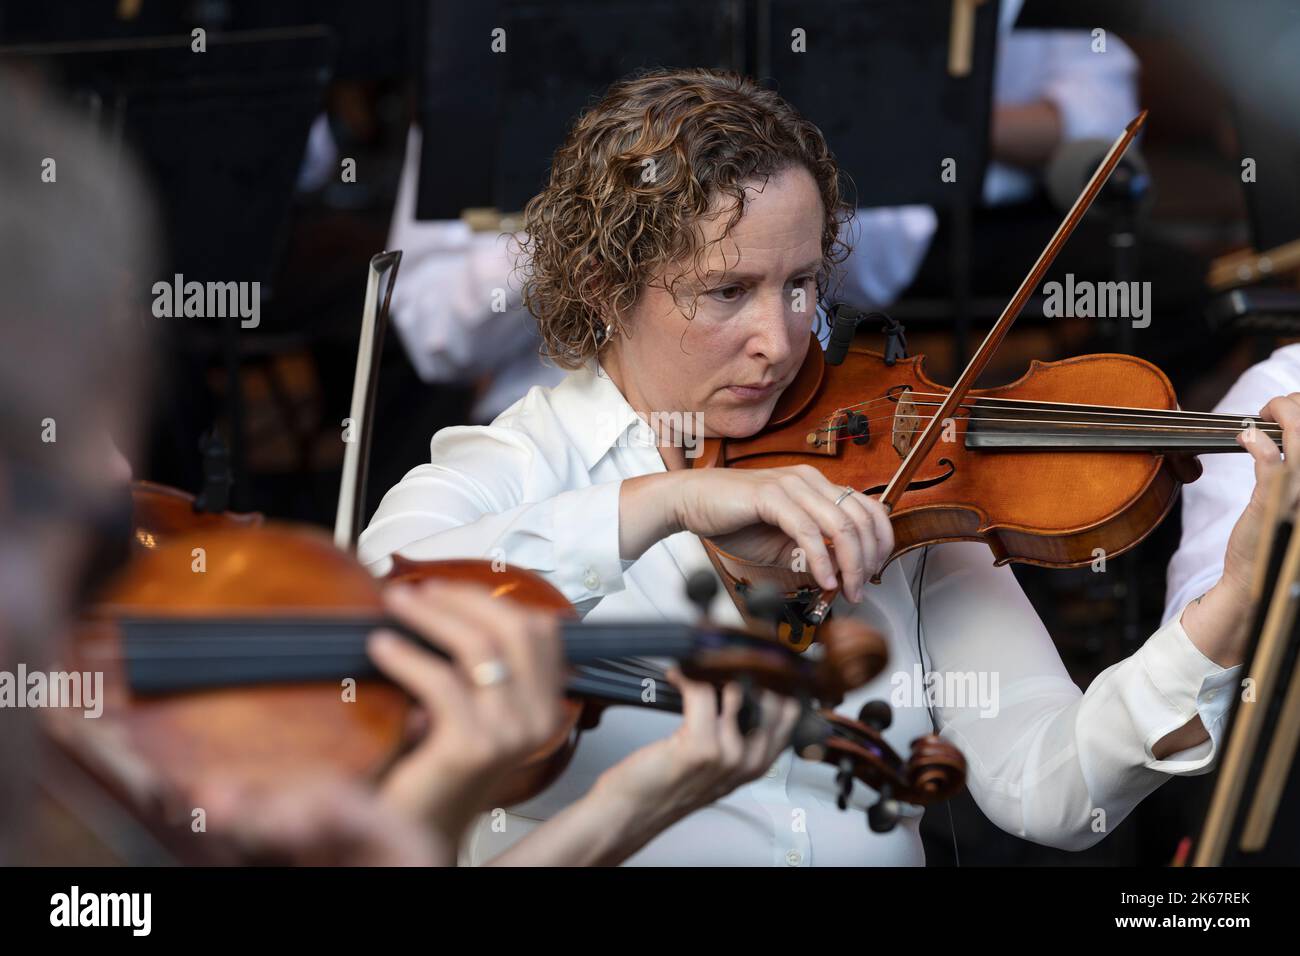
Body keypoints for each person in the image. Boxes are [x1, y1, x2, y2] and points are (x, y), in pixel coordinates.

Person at [359, 67, 1300, 866]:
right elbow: (383, 612)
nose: (777, 339)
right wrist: (671, 498)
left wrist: (1236, 599)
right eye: (726, 292)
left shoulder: (900, 476)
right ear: (607, 289)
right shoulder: (511, 465)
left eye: (802, 283)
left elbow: (1051, 788)